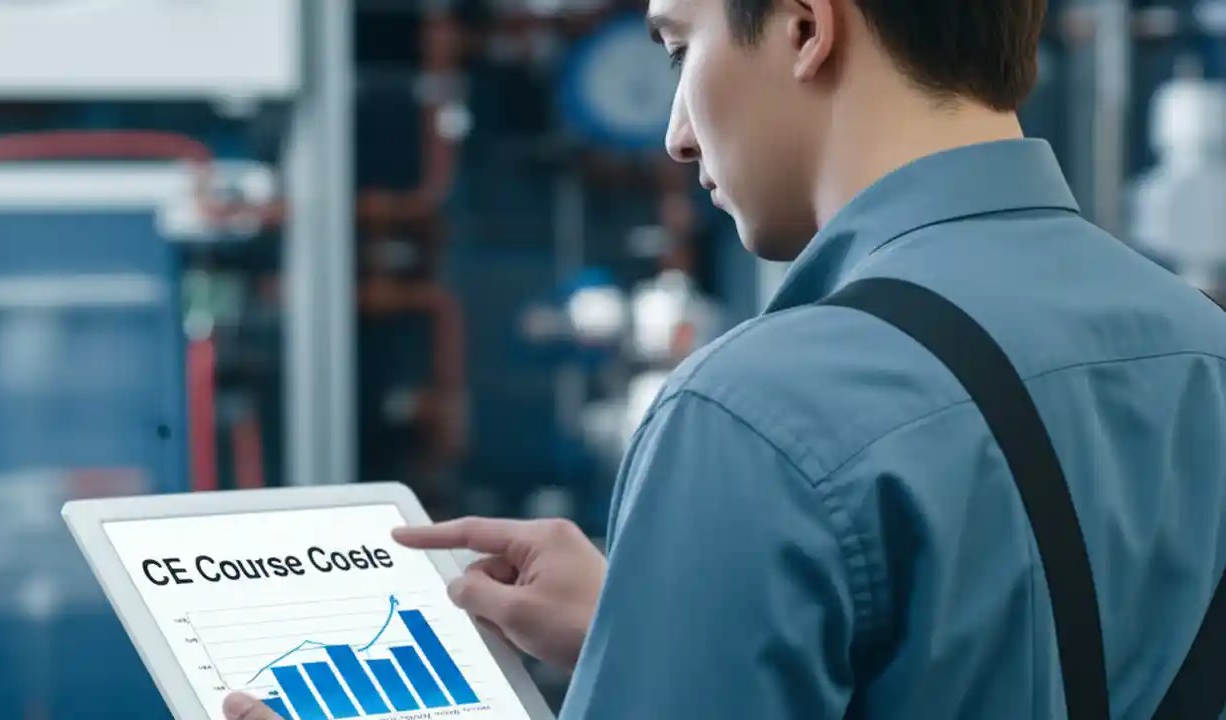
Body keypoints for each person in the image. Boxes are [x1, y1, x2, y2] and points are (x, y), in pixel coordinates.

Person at [224, 0, 1226, 717]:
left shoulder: (757, 414)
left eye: (676, 47)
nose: (672, 137)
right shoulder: (1203, 346)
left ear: (803, 27)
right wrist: (647, 622)